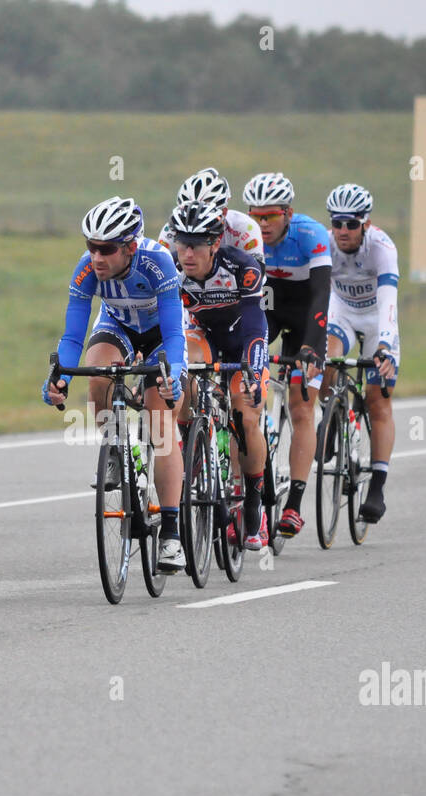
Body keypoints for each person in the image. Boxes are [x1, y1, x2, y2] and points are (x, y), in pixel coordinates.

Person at [43, 196, 189, 569]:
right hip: (118, 326)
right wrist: (59, 379)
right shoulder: (86, 270)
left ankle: (171, 534)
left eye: (106, 249)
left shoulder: (158, 263)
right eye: (91, 247)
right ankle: (115, 449)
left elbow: (174, 333)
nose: (97, 257)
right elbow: (74, 336)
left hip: (160, 335)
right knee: (96, 375)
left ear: (130, 247)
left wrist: (171, 374)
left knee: (161, 423)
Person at [169, 200, 271, 550]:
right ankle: (193, 449)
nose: (187, 253)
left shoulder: (241, 267)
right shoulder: (170, 268)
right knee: (183, 373)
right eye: (181, 243)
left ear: (215, 243)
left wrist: (255, 372)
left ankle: (255, 499)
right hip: (202, 336)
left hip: (242, 338)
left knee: (244, 412)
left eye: (196, 245)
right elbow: (167, 328)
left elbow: (256, 324)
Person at [241, 171, 331, 539]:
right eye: (256, 215)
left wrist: (312, 347)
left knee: (300, 404)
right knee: (249, 390)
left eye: (271, 216)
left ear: (288, 213)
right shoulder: (246, 236)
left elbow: (322, 296)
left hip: (310, 313)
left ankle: (293, 504)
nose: (262, 224)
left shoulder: (311, 235)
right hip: (271, 309)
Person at [321, 183, 400, 523]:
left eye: (351, 224)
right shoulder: (325, 245)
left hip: (376, 317)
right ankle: (332, 415)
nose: (343, 231)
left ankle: (378, 487)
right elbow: (317, 296)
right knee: (326, 360)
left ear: (365, 224)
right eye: (337, 223)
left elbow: (388, 303)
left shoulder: (381, 248)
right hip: (342, 310)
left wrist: (385, 345)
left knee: (377, 399)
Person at [156, 168, 265, 264]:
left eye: (206, 214)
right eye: (189, 212)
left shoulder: (244, 228)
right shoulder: (169, 232)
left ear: (224, 212)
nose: (196, 220)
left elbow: (258, 277)